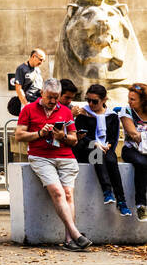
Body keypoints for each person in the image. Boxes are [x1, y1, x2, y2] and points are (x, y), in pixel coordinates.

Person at [16, 78, 92, 250]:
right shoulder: (28, 109)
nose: (52, 101)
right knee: (57, 192)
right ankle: (76, 234)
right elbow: (19, 135)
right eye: (49, 97)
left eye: (56, 97)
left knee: (68, 194)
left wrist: (62, 137)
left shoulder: (65, 111)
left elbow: (73, 140)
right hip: (41, 156)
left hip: (65, 156)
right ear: (42, 93)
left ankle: (69, 240)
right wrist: (39, 134)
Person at [73, 84, 130, 217]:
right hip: (87, 149)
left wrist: (106, 146)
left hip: (105, 148)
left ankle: (121, 201)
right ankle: (107, 191)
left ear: (104, 100)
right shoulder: (83, 114)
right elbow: (81, 137)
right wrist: (96, 144)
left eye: (95, 101)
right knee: (97, 154)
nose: (91, 104)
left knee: (111, 159)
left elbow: (113, 139)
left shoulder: (112, 116)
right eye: (88, 100)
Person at [119, 83, 147, 222]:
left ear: (143, 101)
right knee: (141, 163)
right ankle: (141, 204)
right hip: (131, 150)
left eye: (133, 99)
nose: (129, 102)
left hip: (144, 148)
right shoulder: (126, 111)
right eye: (129, 98)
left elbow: (139, 136)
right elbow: (133, 134)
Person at [9, 48, 46, 117]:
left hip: (39, 103)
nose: (41, 62)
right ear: (33, 56)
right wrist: (26, 105)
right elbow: (18, 89)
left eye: (43, 61)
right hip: (29, 103)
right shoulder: (21, 68)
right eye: (40, 60)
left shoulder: (38, 70)